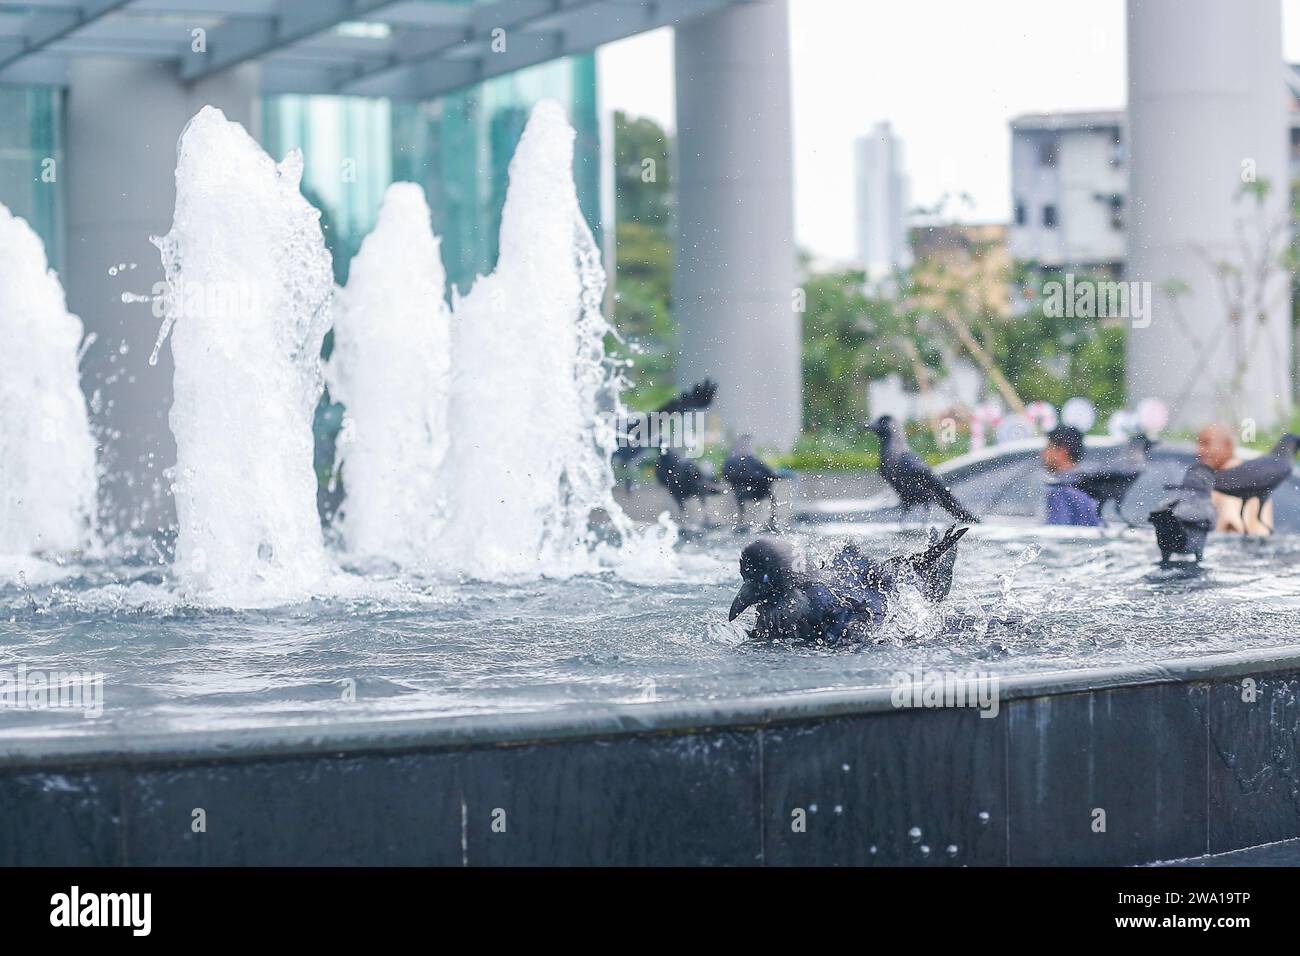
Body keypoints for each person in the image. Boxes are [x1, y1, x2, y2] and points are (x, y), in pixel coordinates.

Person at [1196, 423, 1272, 536]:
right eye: (1199, 444)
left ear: (1227, 445)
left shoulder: (1233, 477)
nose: (1199, 451)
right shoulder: (1241, 474)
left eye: (1206, 443)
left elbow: (1232, 529)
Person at [1042, 425, 1101, 526]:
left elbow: (1057, 534)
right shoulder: (1089, 486)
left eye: (1048, 447)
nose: (1043, 454)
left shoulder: (1061, 490)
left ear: (1062, 451)